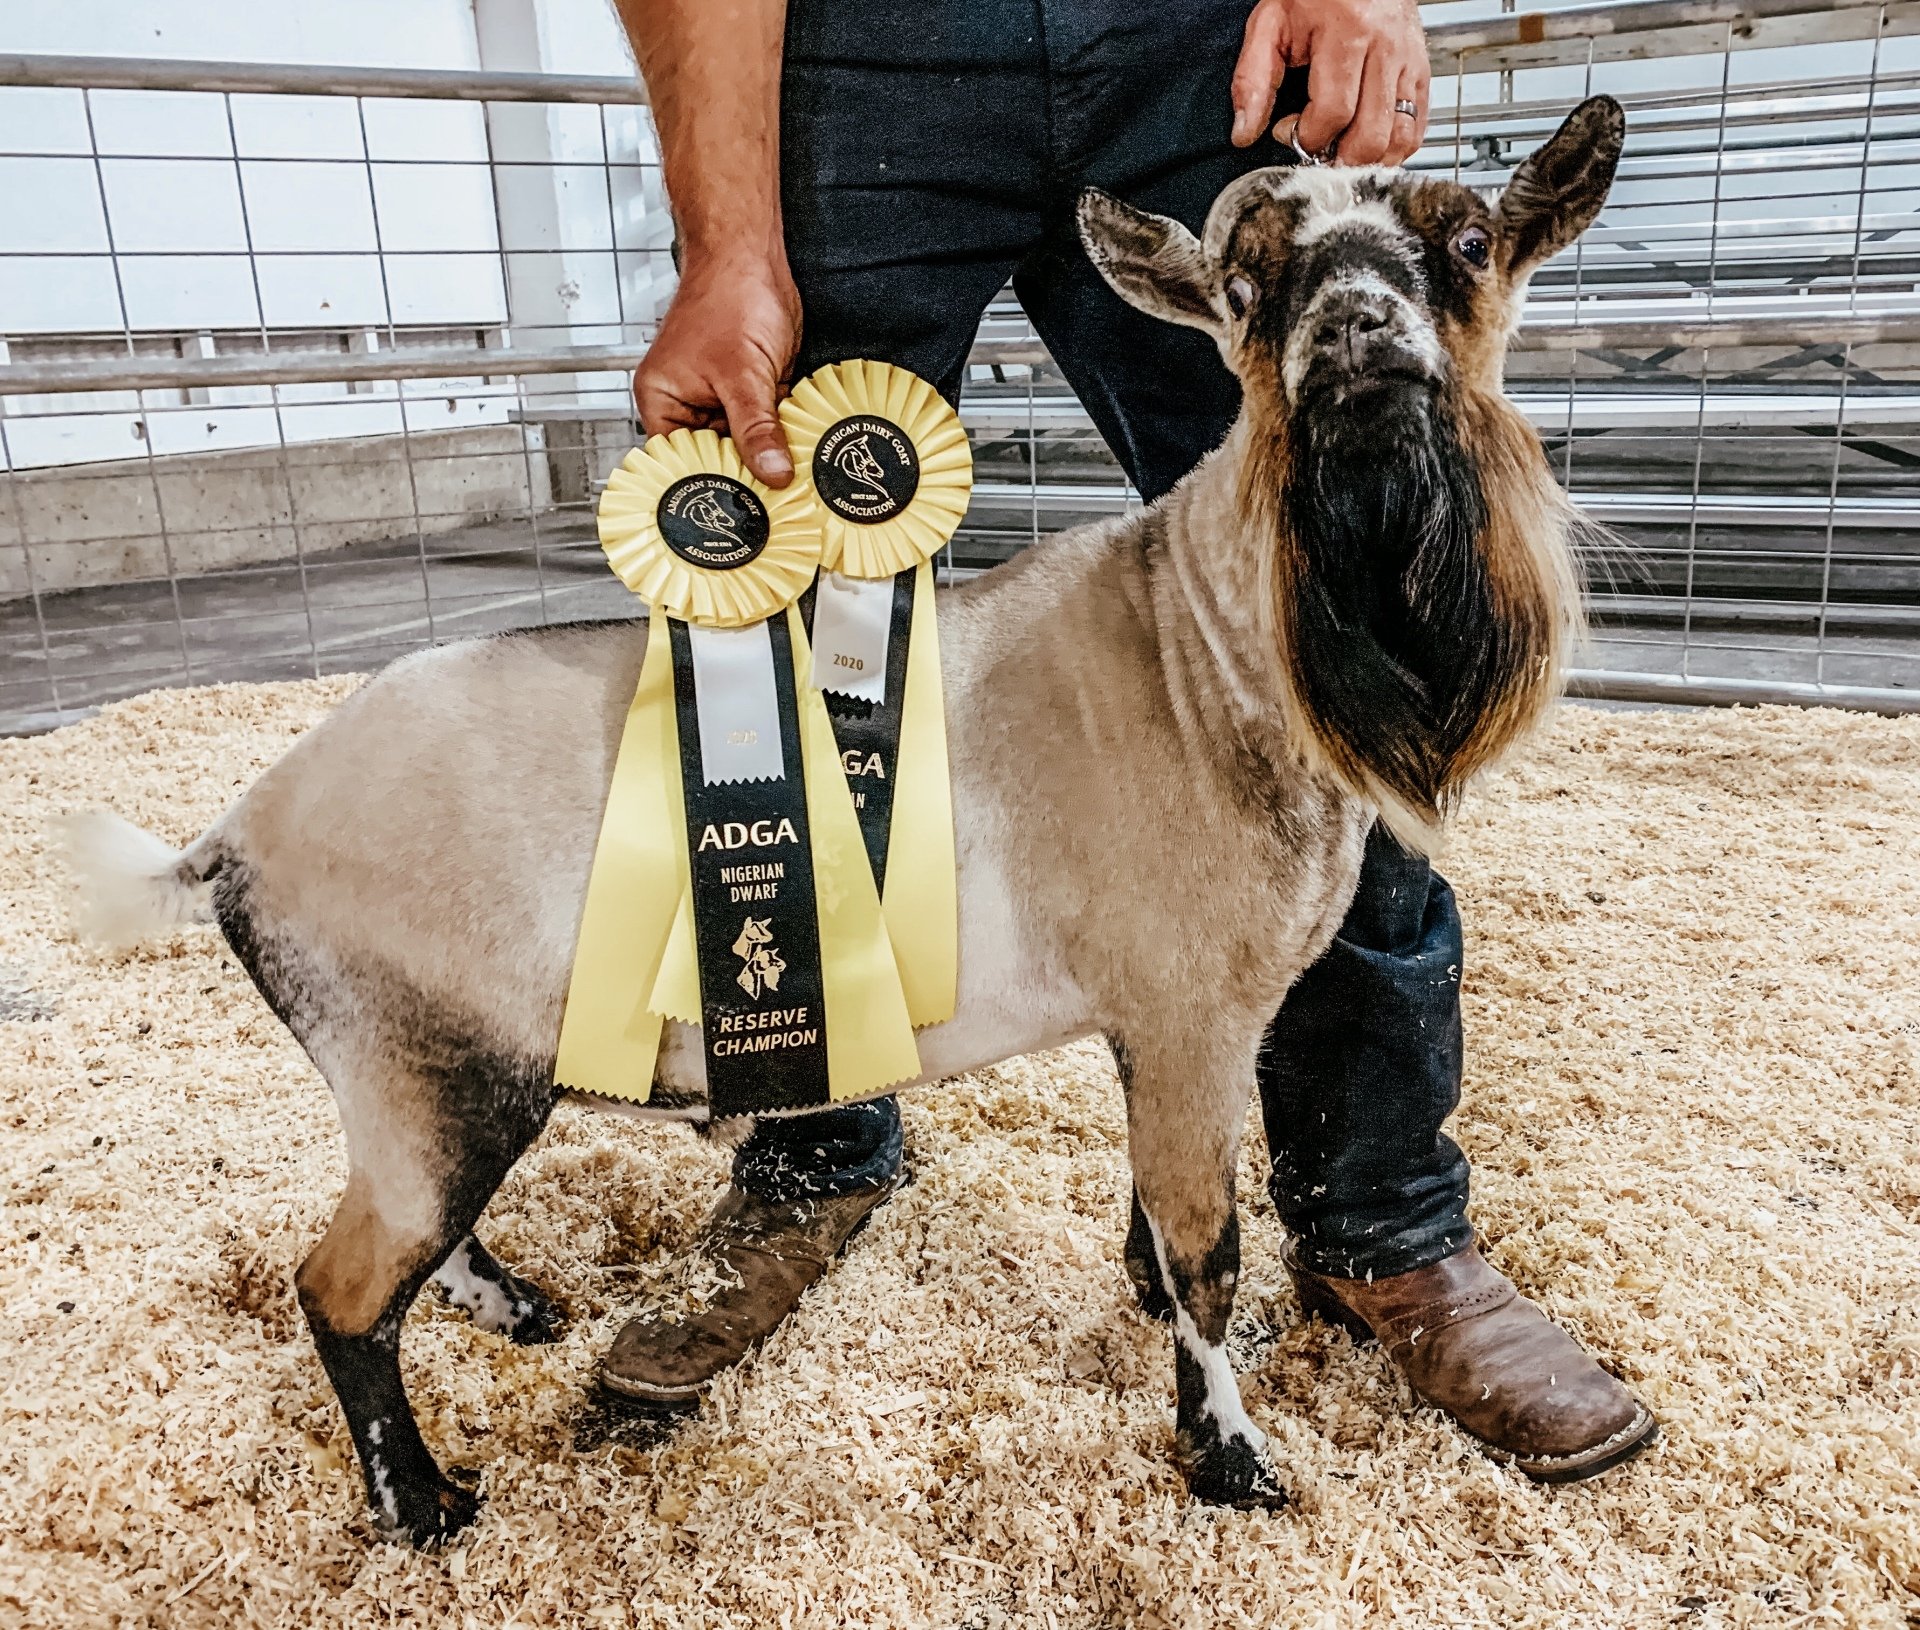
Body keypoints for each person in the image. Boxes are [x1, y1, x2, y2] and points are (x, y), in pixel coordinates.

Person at [599, 0, 1656, 1483]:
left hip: (1200, 38)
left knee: (1343, 525)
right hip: (850, 53)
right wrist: (726, 235)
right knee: (794, 571)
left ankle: (1383, 1217)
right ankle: (811, 1139)